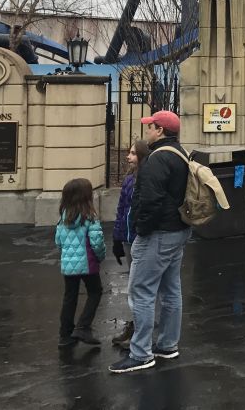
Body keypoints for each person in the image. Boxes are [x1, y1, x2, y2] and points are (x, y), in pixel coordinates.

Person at [109, 110, 191, 374]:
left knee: (141, 293)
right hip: (177, 230)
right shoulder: (180, 154)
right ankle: (167, 344)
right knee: (170, 290)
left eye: (150, 126)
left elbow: (149, 201)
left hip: (157, 234)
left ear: (160, 130)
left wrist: (141, 230)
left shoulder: (156, 160)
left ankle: (141, 353)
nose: (147, 130)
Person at [55, 178, 106, 349]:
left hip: (69, 265)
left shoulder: (63, 218)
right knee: (95, 292)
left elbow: (58, 242)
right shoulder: (90, 217)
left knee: (70, 296)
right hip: (87, 263)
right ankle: (83, 326)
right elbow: (97, 242)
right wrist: (100, 256)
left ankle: (65, 334)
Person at [109, 139, 150, 350]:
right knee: (135, 287)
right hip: (127, 238)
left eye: (133, 154)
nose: (128, 157)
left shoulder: (146, 180)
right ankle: (136, 325)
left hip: (140, 239)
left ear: (142, 157)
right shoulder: (127, 180)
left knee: (138, 288)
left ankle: (141, 331)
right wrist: (117, 238)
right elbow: (121, 211)